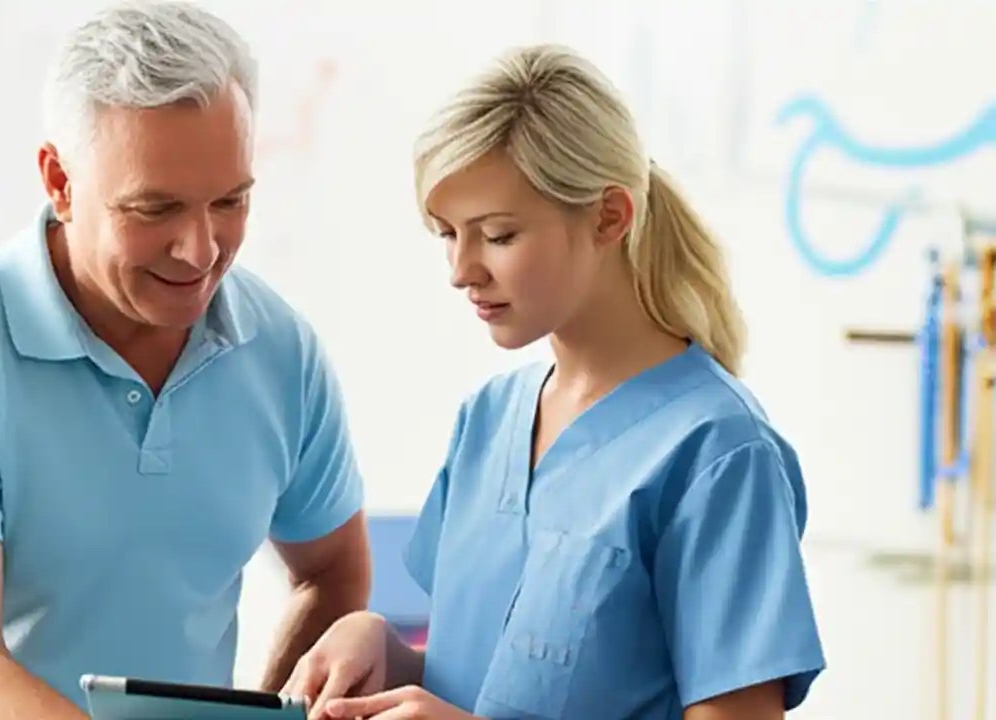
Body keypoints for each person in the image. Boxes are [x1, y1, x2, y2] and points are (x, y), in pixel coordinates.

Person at [0, 2, 371, 718]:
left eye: (229, 201)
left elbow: (332, 573)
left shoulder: (282, 350)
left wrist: (255, 714)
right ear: (60, 182)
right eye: (154, 209)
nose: (200, 250)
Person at [284, 44, 826, 720]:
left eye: (498, 235)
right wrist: (386, 652)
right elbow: (493, 679)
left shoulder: (719, 453)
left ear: (609, 217)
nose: (462, 269)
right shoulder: (488, 419)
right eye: (447, 234)